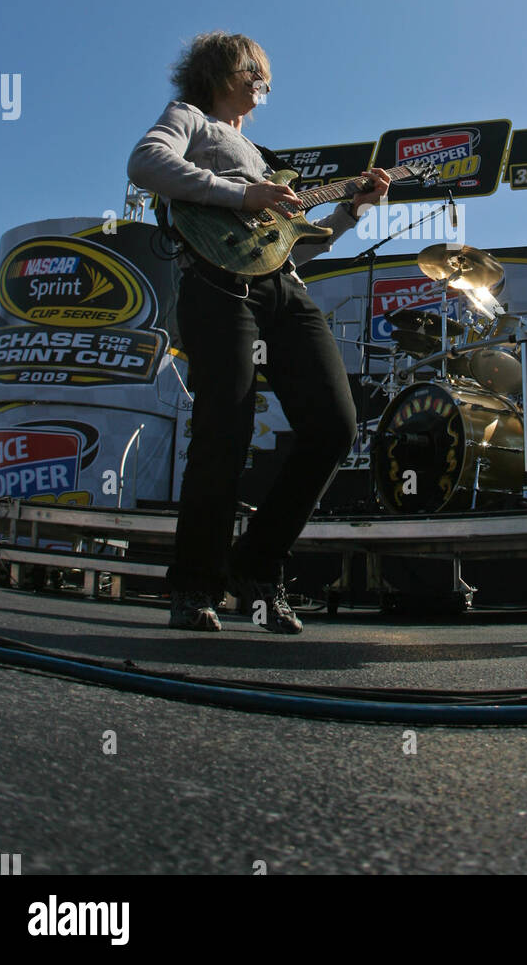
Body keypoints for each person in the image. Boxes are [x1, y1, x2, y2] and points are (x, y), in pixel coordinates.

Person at [128, 31, 390, 632]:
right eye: (252, 71)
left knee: (335, 425)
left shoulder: (266, 158)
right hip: (218, 286)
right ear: (220, 71)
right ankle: (195, 584)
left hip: (284, 288)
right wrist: (242, 194)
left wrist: (356, 205)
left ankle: (257, 565)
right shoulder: (189, 118)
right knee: (226, 425)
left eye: (265, 76)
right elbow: (145, 163)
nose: (261, 83)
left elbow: (299, 243)